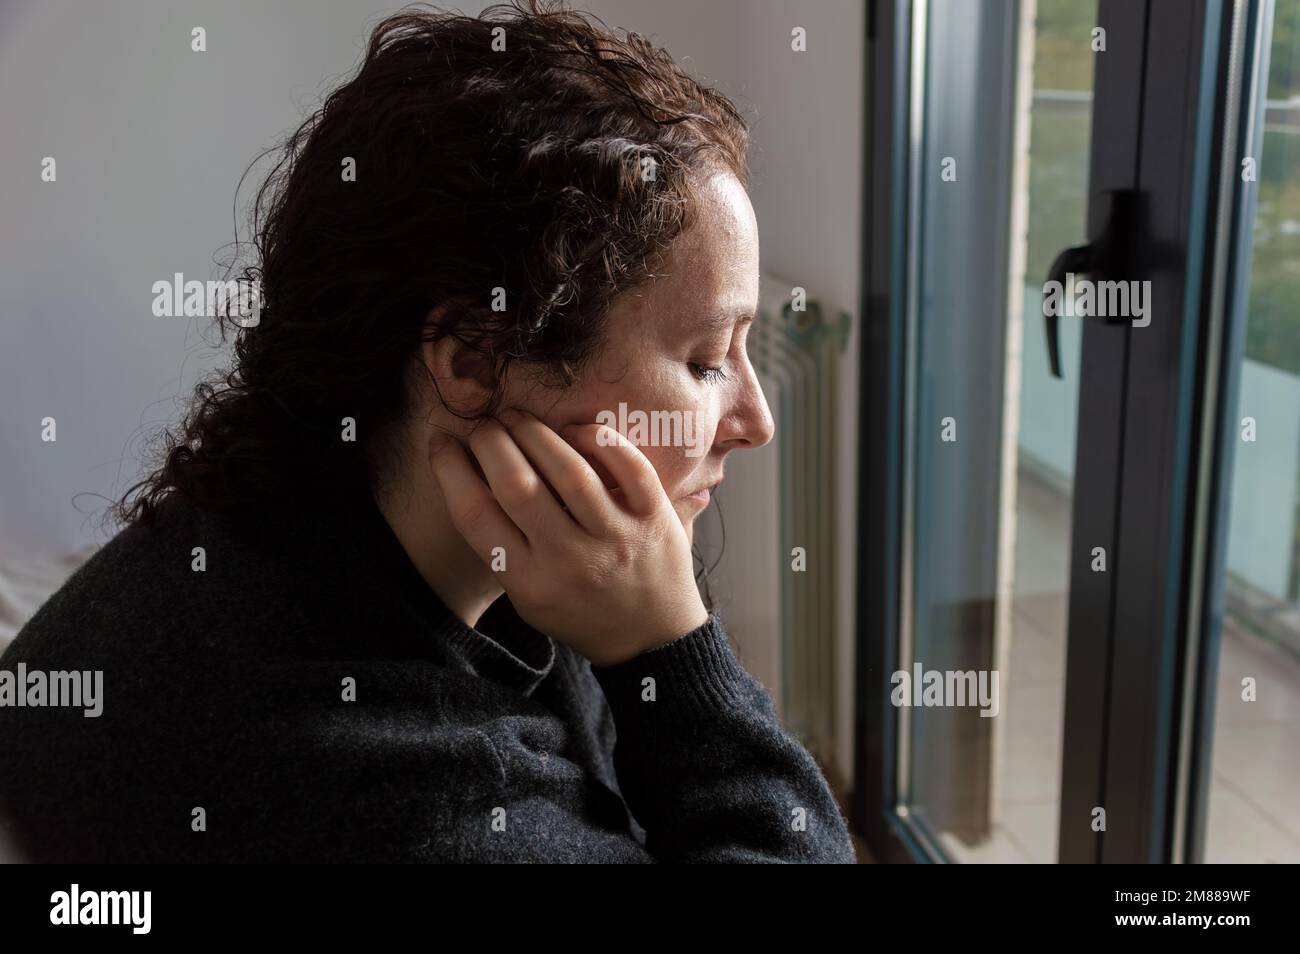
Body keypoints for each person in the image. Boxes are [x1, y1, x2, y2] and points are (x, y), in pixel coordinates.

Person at [0, 0, 856, 863]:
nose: (756, 420)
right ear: (474, 362)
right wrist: (671, 653)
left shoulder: (306, 515)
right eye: (708, 358)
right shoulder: (413, 794)